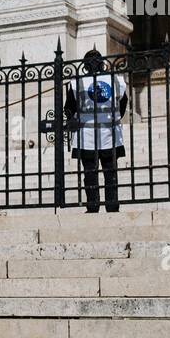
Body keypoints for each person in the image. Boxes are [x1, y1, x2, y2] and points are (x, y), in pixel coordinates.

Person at [66, 49, 129, 214]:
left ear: (85, 66)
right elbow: (122, 106)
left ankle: (93, 206)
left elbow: (69, 108)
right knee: (110, 173)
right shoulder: (116, 80)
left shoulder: (77, 82)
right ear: (103, 63)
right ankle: (112, 205)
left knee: (90, 174)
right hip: (110, 134)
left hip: (86, 137)